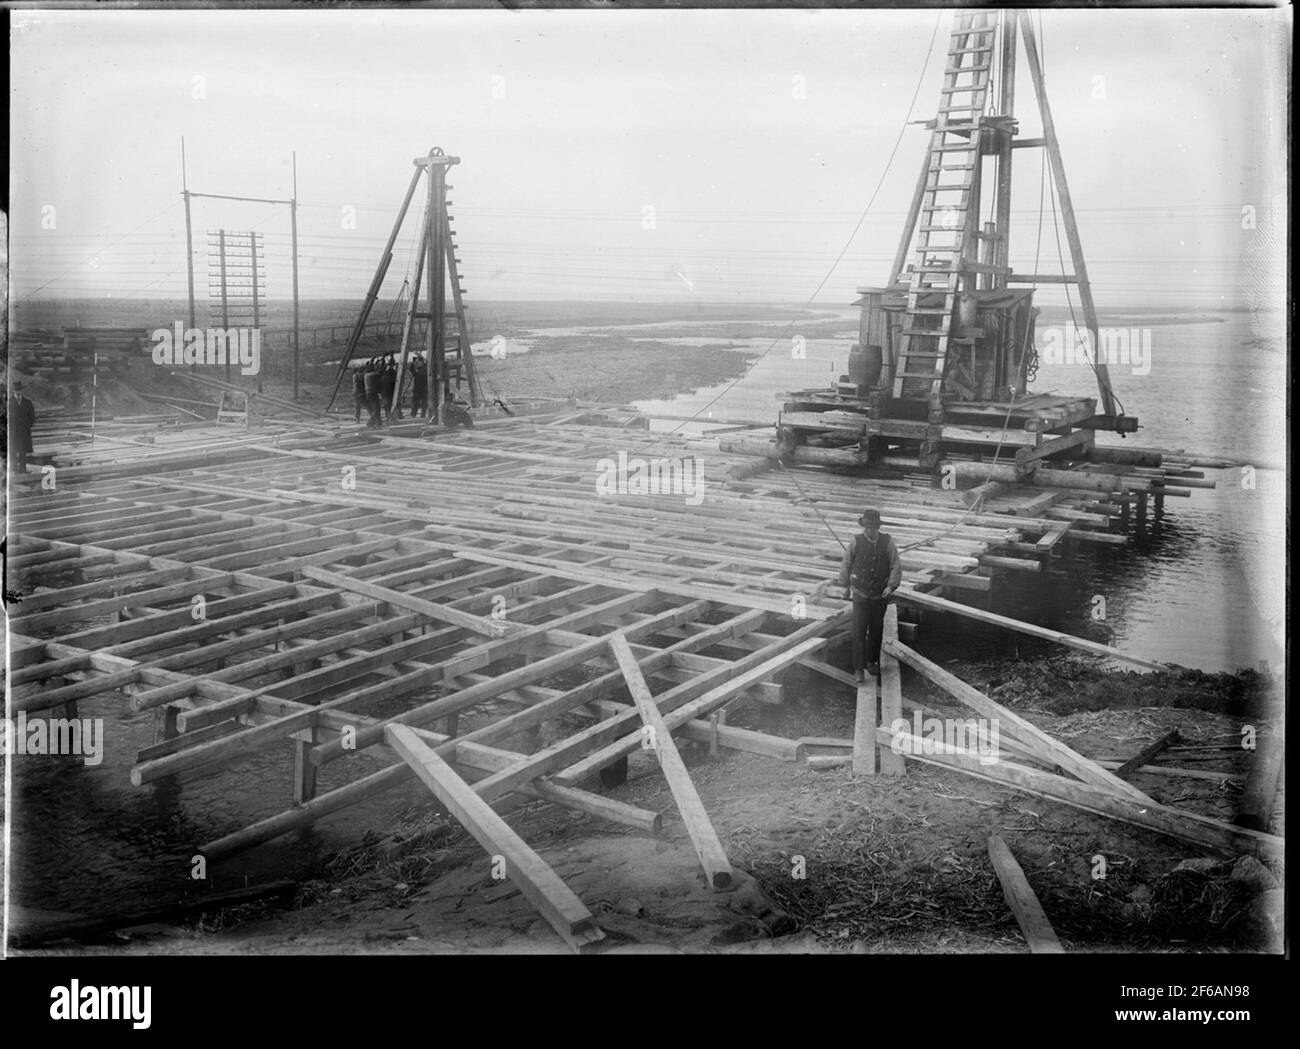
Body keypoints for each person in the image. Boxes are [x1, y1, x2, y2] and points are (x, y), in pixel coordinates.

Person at [835, 508, 902, 680]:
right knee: (858, 629)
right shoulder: (856, 541)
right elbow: (846, 564)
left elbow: (895, 565)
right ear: (863, 526)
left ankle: (871, 662)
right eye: (867, 527)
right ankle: (858, 668)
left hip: (880, 595)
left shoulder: (887, 542)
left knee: (876, 629)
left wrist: (891, 586)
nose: (869, 530)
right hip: (860, 593)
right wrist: (844, 586)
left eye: (872, 527)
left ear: (877, 528)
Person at [9, 382, 36, 472]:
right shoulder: (9, 403)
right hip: (12, 432)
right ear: (13, 390)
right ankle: (13, 470)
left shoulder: (27, 402)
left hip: (24, 432)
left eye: (19, 389)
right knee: (12, 451)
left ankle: (23, 469)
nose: (18, 391)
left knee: (22, 451)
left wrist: (26, 426)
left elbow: (32, 417)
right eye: (16, 390)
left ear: (22, 390)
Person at [362, 359, 382, 428]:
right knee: (376, 410)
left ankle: (379, 423)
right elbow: (379, 373)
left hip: (369, 394)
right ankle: (370, 423)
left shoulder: (366, 375)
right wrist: (380, 365)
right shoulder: (372, 375)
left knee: (376, 409)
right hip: (373, 393)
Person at [380, 356, 399, 423]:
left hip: (384, 394)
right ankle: (391, 419)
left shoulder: (383, 375)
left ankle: (389, 419)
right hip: (390, 394)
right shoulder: (392, 375)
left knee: (387, 407)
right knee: (391, 406)